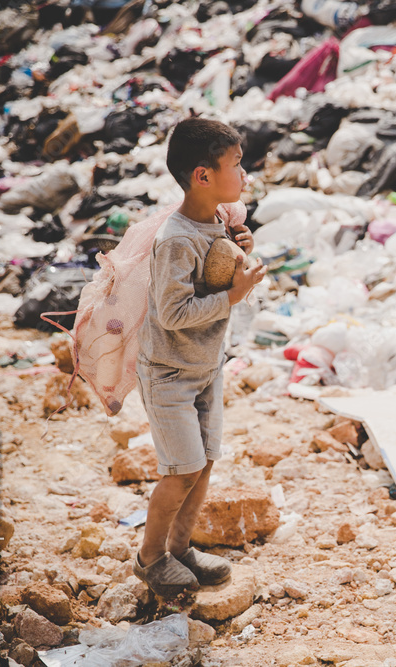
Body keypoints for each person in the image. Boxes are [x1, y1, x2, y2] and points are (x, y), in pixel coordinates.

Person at [132, 118, 266, 597]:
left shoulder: (219, 220)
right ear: (202, 176)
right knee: (182, 469)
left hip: (205, 367)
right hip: (169, 371)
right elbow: (171, 313)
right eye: (236, 164)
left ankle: (182, 548)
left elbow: (216, 274)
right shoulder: (176, 238)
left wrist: (239, 251)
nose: (245, 174)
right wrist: (236, 293)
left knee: (205, 462)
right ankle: (150, 558)